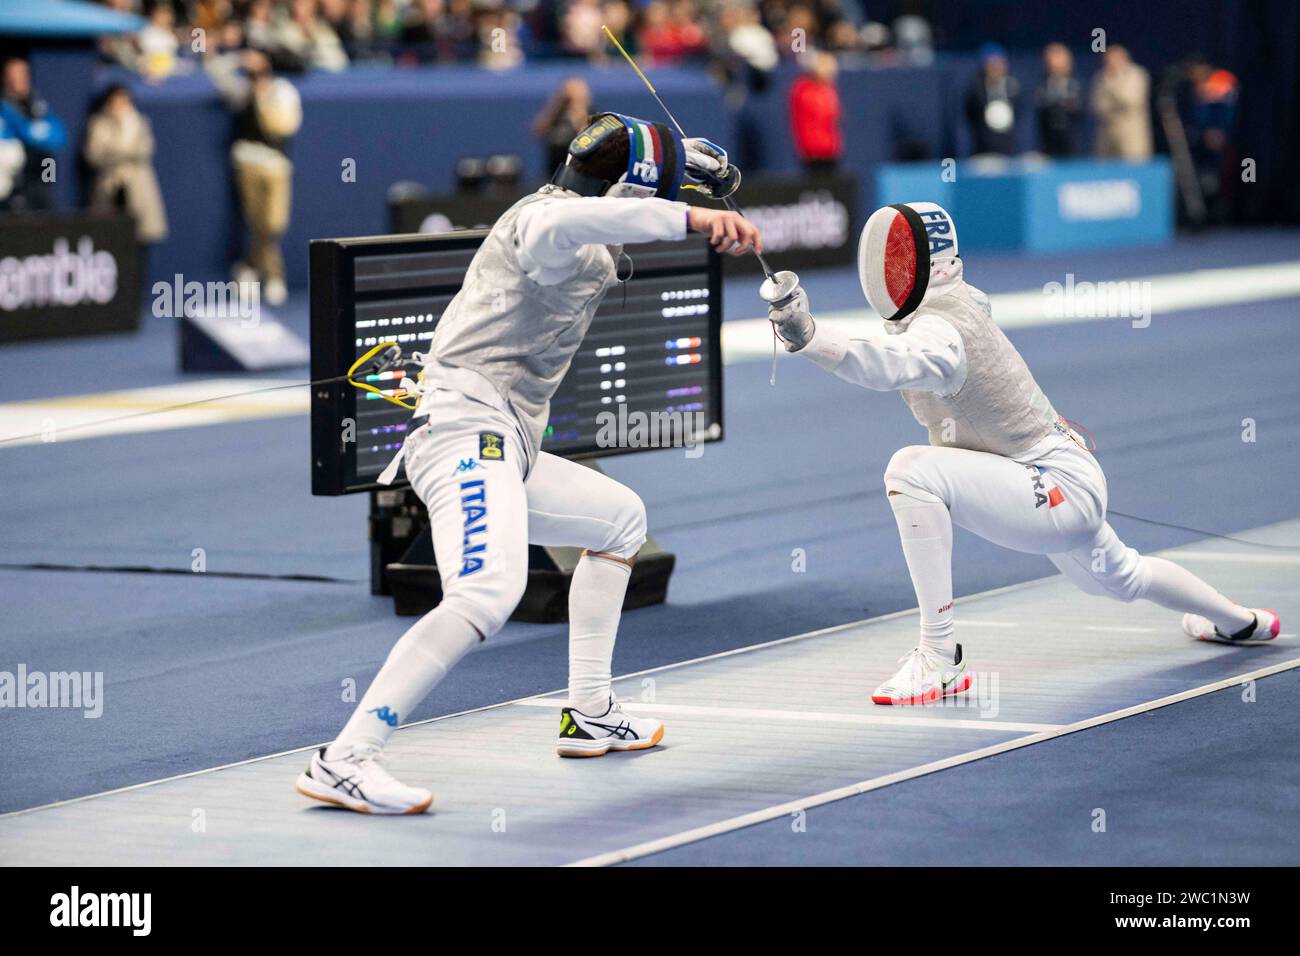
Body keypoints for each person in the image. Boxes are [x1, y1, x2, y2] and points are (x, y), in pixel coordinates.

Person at [296, 113, 762, 814]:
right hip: (465, 433)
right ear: (624, 197)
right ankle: (346, 758)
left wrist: (689, 164)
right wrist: (689, 220)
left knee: (619, 523)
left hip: (508, 440)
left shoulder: (589, 205)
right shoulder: (542, 225)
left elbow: (616, 150)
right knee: (486, 592)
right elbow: (567, 227)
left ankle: (590, 710)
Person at [766, 202, 1279, 705]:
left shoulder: (943, 331)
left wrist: (809, 337)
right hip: (1047, 477)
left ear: (923, 267)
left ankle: (940, 657)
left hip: (1050, 484)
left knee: (911, 471)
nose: (887, 271)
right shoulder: (951, 306)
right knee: (1124, 577)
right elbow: (901, 346)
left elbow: (890, 364)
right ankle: (1241, 623)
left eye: (897, 259)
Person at [206, 48, 302, 305]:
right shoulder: (241, 90)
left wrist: (265, 101)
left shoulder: (284, 92)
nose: (257, 75)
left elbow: (284, 126)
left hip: (277, 165)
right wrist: (237, 57)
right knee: (255, 220)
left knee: (273, 224)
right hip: (248, 161)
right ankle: (270, 275)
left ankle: (249, 266)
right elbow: (215, 72)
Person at [84, 84, 169, 298]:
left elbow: (145, 150)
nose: (121, 104)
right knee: (110, 242)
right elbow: (93, 154)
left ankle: (135, 294)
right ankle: (110, 294)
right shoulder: (99, 123)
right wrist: (125, 152)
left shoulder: (139, 122)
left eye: (125, 99)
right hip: (110, 191)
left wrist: (115, 150)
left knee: (139, 241)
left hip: (138, 191)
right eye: (117, 99)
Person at [0, 58, 68, 212]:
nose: (17, 80)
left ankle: (48, 209)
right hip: (12, 174)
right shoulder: (4, 107)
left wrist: (29, 131)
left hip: (38, 168)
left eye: (22, 75)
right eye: (13, 75)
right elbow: (16, 133)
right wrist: (30, 130)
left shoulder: (37, 105)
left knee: (49, 161)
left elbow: (59, 137)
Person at [1091, 44, 1153, 160]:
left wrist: (1113, 84)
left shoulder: (1137, 75)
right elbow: (1098, 105)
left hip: (1131, 135)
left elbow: (1131, 101)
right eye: (1108, 60)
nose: (1111, 63)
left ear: (1124, 59)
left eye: (1114, 59)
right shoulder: (1100, 77)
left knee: (1134, 170)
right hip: (1107, 134)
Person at [789, 51, 843, 176]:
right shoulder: (803, 90)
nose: (831, 71)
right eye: (827, 66)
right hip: (812, 150)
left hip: (830, 148)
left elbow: (835, 116)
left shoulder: (829, 90)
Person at [963, 43, 1018, 156]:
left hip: (1009, 152)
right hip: (984, 152)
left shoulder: (1014, 88)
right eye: (992, 64)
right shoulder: (975, 91)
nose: (996, 68)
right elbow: (970, 116)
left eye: (999, 63)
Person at [1035, 42, 1082, 157]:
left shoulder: (1075, 86)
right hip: (1049, 144)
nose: (1055, 64)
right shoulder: (1043, 87)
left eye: (1060, 59)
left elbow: (1080, 112)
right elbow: (1040, 116)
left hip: (1070, 144)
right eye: (1051, 60)